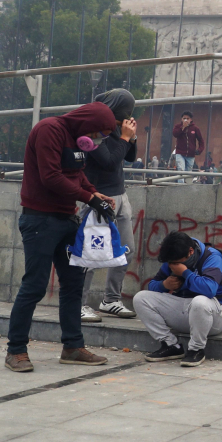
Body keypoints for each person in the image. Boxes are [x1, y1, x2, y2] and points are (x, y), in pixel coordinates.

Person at [4, 102, 119, 372]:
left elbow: (77, 174)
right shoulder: (49, 130)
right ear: (88, 124)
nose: (98, 140)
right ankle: (16, 350)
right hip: (39, 220)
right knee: (35, 285)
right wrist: (89, 198)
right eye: (99, 133)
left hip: (67, 219)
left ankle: (73, 347)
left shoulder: (78, 140)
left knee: (73, 284)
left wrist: (95, 193)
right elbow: (51, 177)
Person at [80, 89, 140, 323]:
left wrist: (131, 137)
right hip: (98, 197)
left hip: (121, 195)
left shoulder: (116, 127)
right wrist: (124, 138)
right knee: (90, 255)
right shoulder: (92, 129)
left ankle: (111, 299)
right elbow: (108, 162)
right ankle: (78, 303)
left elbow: (129, 157)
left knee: (126, 250)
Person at [132, 231, 222, 368]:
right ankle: (171, 345)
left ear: (191, 251)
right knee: (141, 298)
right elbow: (152, 285)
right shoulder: (173, 257)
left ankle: (196, 350)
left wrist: (185, 273)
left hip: (214, 317)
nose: (173, 266)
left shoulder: (212, 257)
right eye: (171, 263)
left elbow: (210, 290)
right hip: (186, 311)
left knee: (199, 301)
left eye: (177, 263)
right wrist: (164, 285)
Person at [171, 111, 204, 182]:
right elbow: (175, 134)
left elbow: (201, 140)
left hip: (190, 154)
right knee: (181, 170)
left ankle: (187, 185)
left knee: (188, 173)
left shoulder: (195, 128)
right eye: (184, 118)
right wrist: (183, 127)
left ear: (191, 119)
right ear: (181, 119)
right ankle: (180, 186)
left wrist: (199, 150)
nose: (185, 120)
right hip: (180, 152)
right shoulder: (177, 126)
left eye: (187, 118)